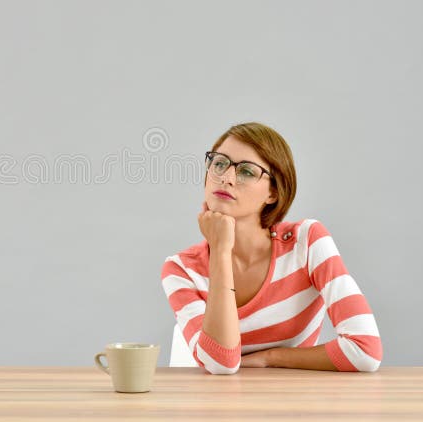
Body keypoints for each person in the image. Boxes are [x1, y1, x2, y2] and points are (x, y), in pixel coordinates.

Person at [160, 122, 382, 373]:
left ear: (273, 193)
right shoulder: (180, 269)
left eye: (246, 171)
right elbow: (220, 365)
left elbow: (365, 350)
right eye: (219, 163)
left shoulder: (307, 243)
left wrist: (272, 357)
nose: (227, 178)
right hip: (216, 405)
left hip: (294, 404)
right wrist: (220, 251)